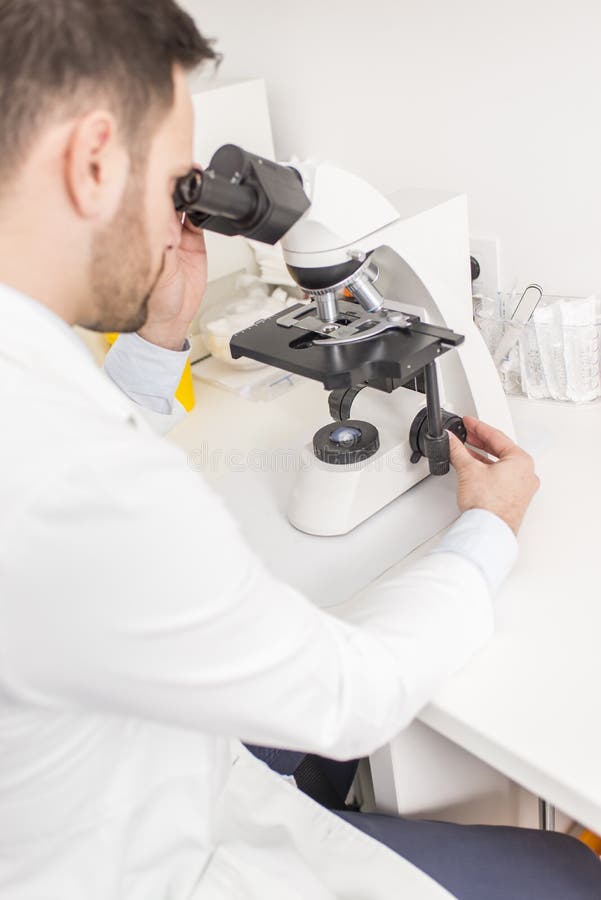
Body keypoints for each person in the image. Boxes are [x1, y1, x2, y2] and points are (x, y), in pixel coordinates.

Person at [0, 1, 598, 898]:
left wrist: (164, 337)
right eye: (175, 181)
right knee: (562, 874)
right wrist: (489, 529)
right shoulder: (72, 480)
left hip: (101, 768)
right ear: (92, 161)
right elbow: (350, 694)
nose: (184, 210)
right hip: (142, 861)